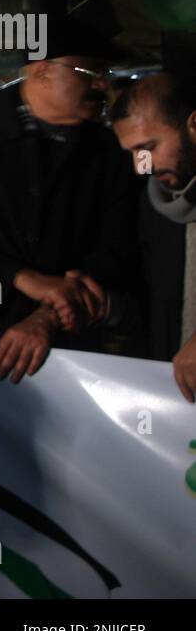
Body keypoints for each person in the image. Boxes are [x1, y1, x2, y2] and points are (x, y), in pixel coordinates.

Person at [0, 21, 137, 382]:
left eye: (105, 74)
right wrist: (20, 278)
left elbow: (117, 246)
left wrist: (51, 312)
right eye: (90, 72)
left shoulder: (109, 151)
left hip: (72, 356)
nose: (101, 84)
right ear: (42, 70)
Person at [109, 74, 196, 401]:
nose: (140, 167)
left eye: (148, 148)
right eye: (131, 153)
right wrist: (109, 308)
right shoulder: (152, 207)